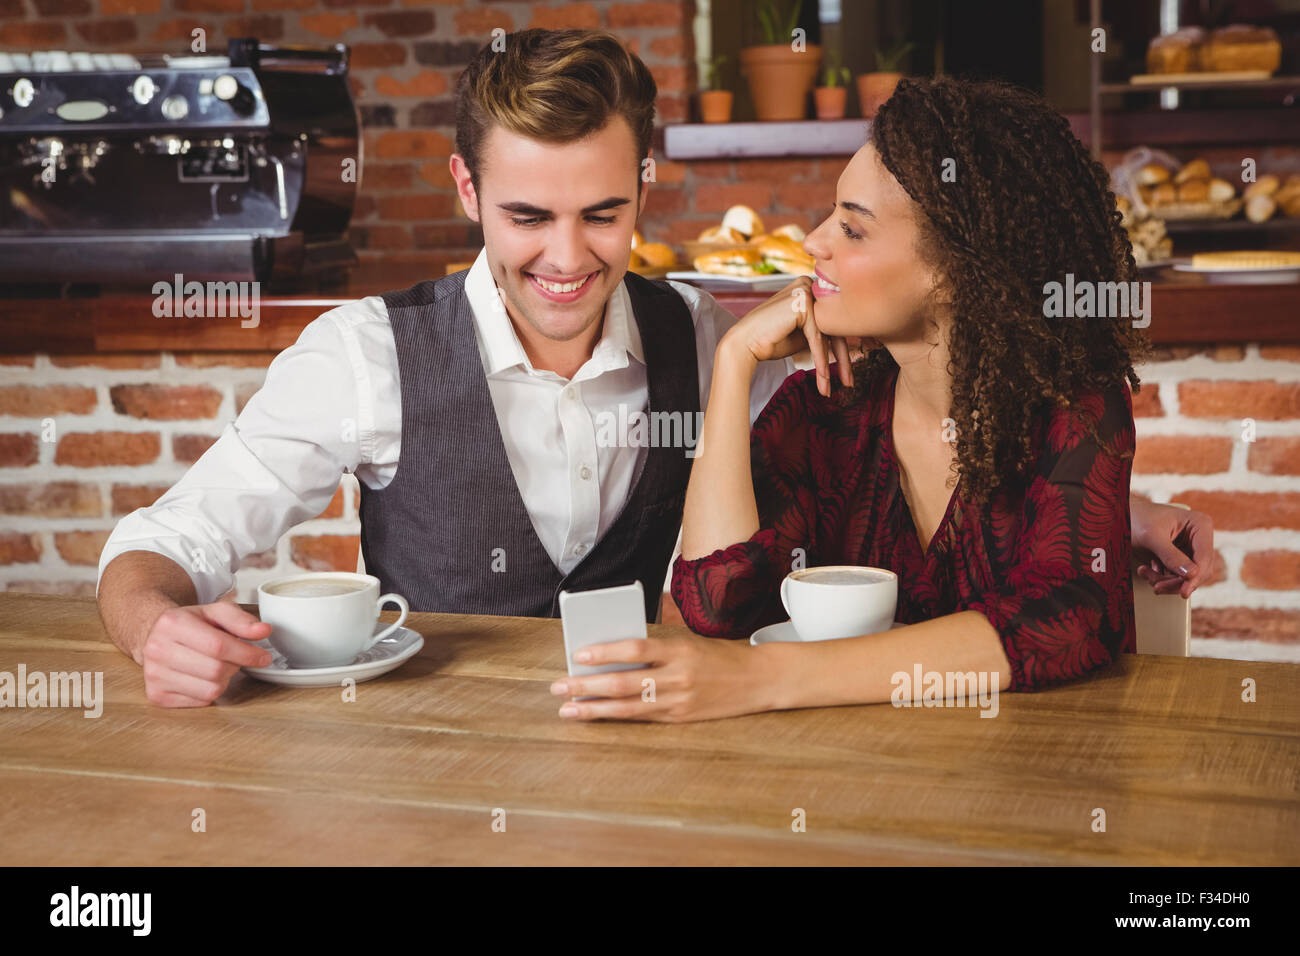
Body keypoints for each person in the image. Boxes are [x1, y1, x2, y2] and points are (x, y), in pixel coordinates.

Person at [94, 32, 1210, 711]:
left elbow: (936, 452)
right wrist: (157, 627)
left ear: (645, 183)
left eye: (604, 213)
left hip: (664, 760)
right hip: (431, 767)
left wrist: (1115, 507)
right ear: (466, 190)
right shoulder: (365, 353)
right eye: (527, 215)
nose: (568, 258)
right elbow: (167, 540)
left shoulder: (710, 332)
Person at [547, 76, 1210, 723]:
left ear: (956, 267)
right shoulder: (828, 408)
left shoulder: (1075, 409)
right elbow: (715, 604)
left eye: (853, 230)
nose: (814, 243)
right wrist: (733, 365)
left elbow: (1064, 623)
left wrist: (762, 680)